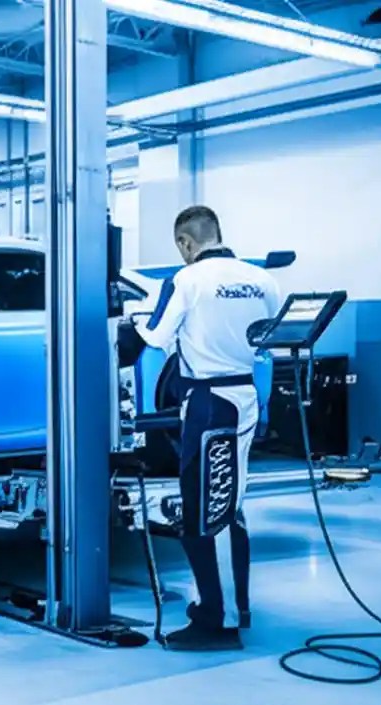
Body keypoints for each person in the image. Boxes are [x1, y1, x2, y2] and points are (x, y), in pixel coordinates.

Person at [134, 205, 283, 652]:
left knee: (205, 510)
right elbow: (270, 339)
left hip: (208, 402)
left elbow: (155, 338)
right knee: (230, 504)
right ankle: (231, 610)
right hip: (247, 398)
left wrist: (133, 322)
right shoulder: (262, 280)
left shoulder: (187, 280)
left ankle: (216, 621)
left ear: (185, 242)